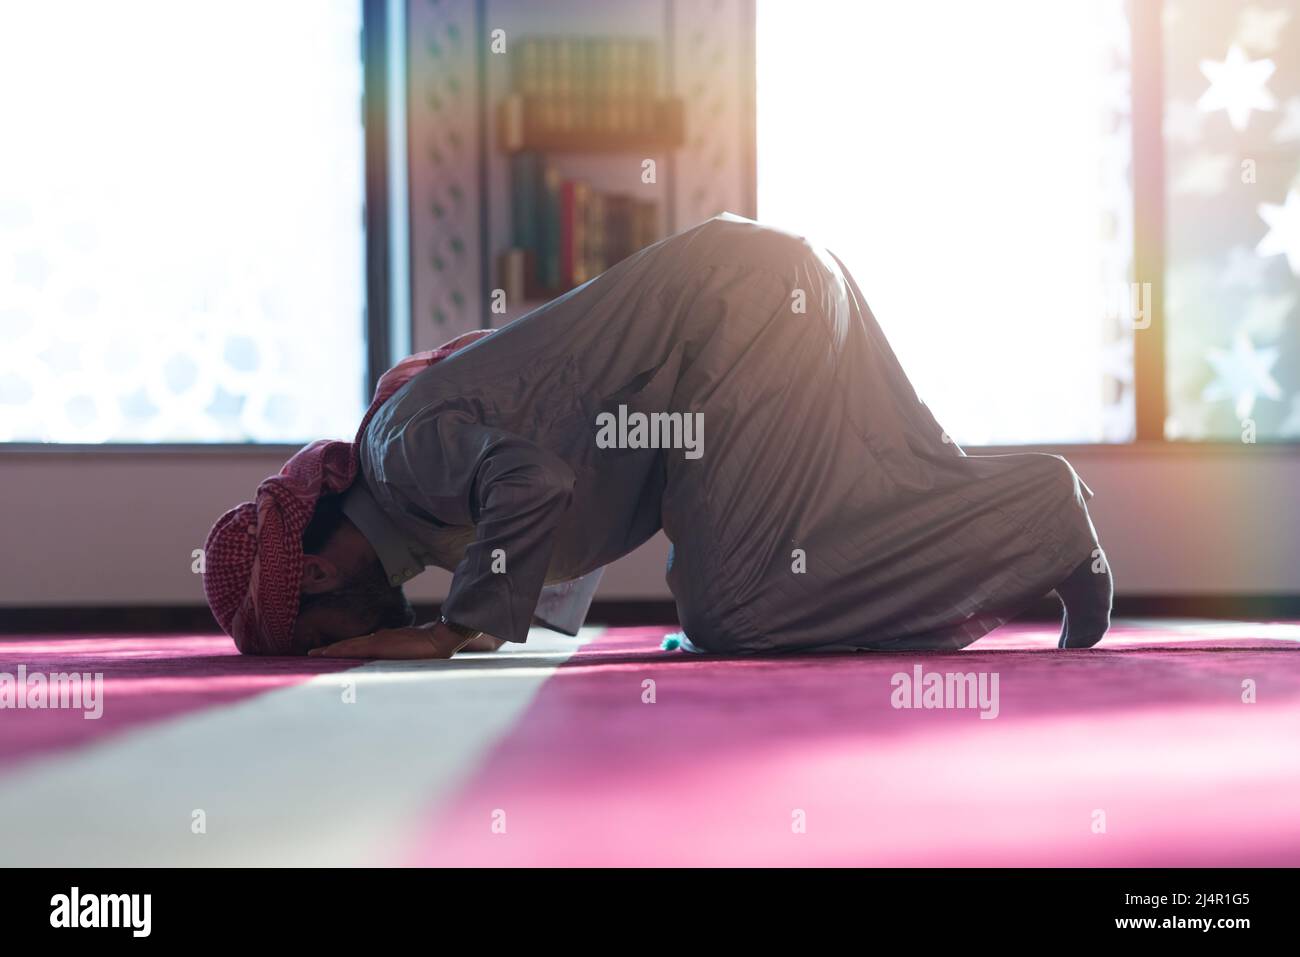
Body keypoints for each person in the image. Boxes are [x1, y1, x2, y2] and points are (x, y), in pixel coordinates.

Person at [203, 213, 1111, 659]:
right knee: (765, 576)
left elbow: (533, 482)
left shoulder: (397, 458)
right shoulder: (411, 484)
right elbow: (566, 478)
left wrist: (456, 633)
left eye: (313, 638)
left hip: (748, 303)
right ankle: (1034, 519)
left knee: (735, 608)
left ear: (315, 572)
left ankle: (1041, 518)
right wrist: (533, 619)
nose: (331, 648)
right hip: (765, 283)